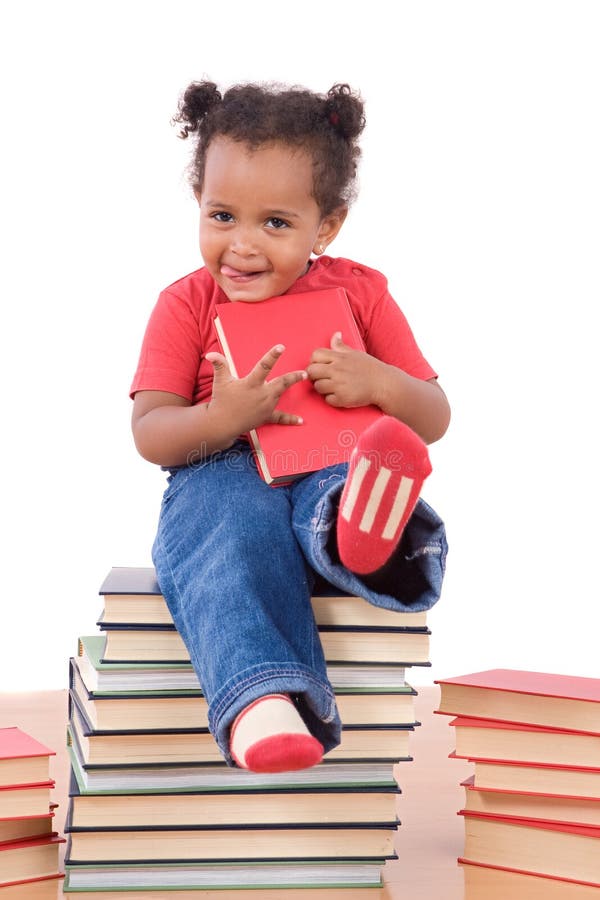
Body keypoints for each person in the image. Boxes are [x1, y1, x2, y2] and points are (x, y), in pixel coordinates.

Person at [130, 80, 451, 774]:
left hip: (330, 456)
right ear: (198, 205)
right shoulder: (186, 304)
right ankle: (262, 704)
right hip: (225, 464)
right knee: (227, 523)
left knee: (342, 481)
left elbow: (433, 415)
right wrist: (224, 418)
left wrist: (381, 383)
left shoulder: (361, 292)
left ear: (325, 226)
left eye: (275, 223)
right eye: (222, 216)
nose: (241, 245)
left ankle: (357, 534)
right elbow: (150, 430)